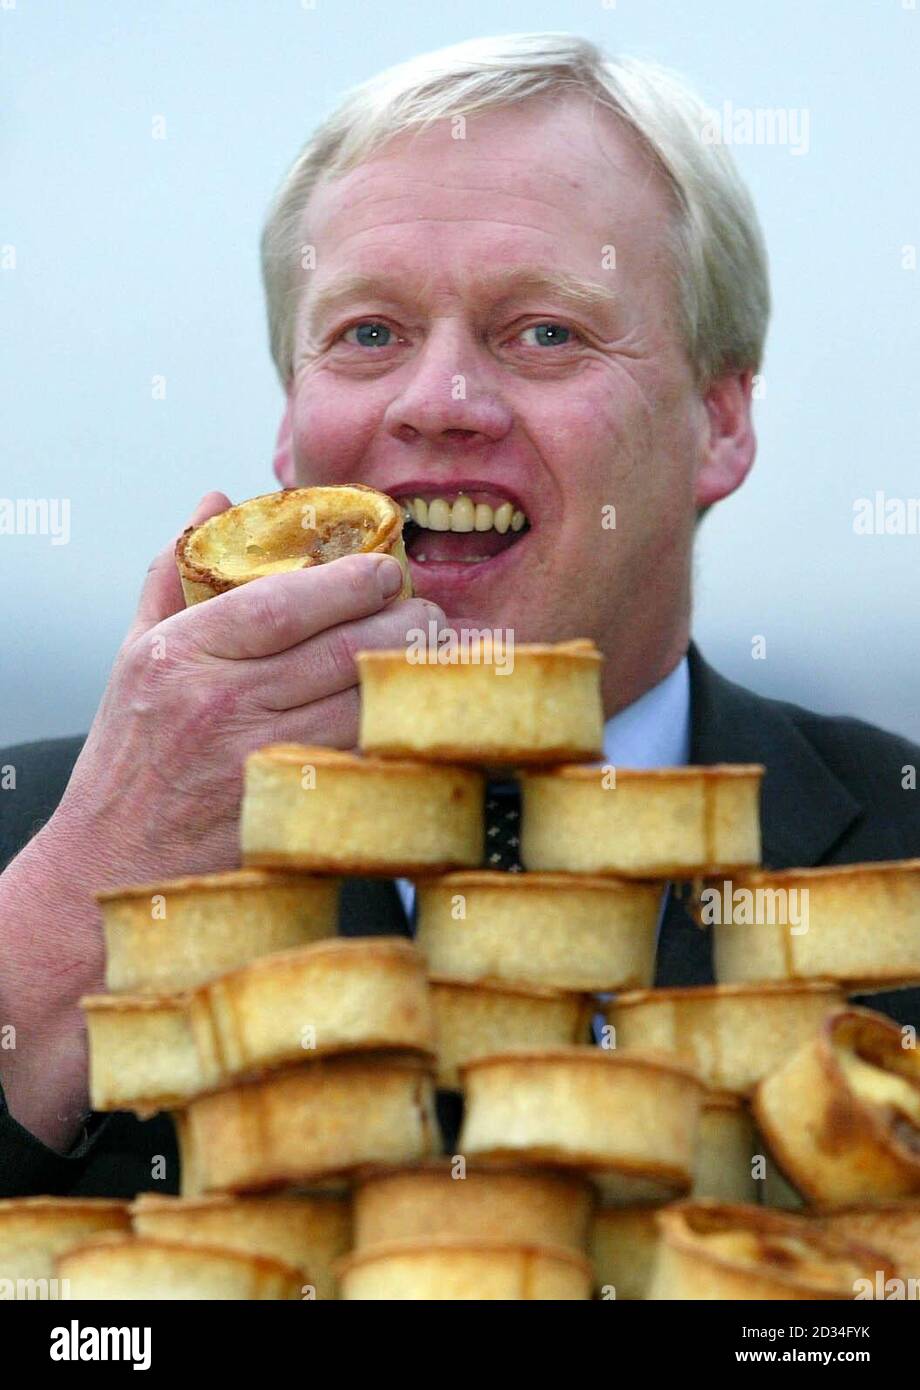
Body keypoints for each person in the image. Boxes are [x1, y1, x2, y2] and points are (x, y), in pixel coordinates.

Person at [1, 34, 917, 1198]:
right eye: (368, 334)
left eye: (544, 331)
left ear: (720, 422)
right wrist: (77, 903)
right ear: (292, 425)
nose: (439, 402)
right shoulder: (34, 850)